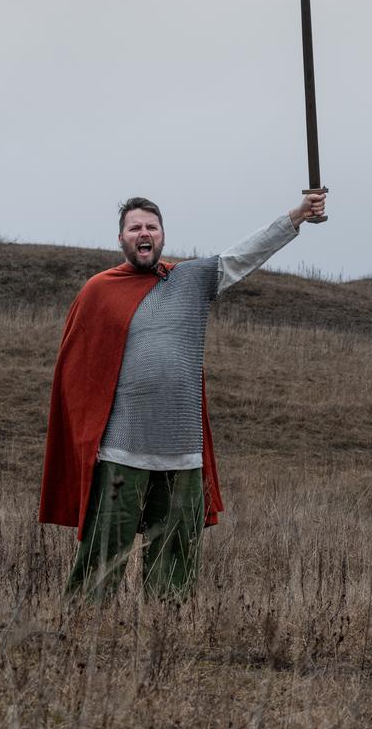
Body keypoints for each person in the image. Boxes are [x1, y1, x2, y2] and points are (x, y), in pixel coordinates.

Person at [38, 193, 328, 599]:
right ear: (121, 239)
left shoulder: (189, 281)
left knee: (176, 558)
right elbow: (78, 370)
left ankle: (166, 633)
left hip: (181, 449)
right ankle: (82, 628)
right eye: (135, 227)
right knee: (101, 555)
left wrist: (295, 217)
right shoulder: (99, 291)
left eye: (151, 227)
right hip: (122, 451)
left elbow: (241, 257)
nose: (144, 233)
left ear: (161, 236)